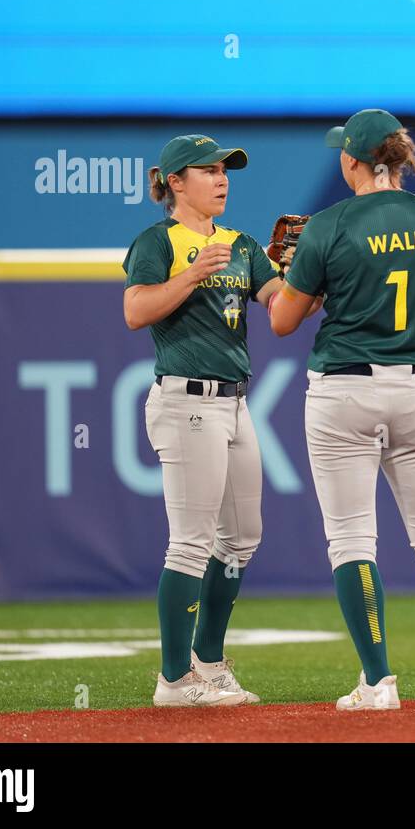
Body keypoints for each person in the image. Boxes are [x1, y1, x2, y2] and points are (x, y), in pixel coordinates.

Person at [270, 109, 415, 710]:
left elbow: (284, 321)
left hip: (346, 388)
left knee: (351, 541)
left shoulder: (329, 225)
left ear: (353, 162)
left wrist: (297, 277)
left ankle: (377, 681)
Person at [123, 134, 287, 707]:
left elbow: (283, 308)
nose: (221, 179)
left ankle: (210, 662)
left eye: (225, 170)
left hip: (236, 402)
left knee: (241, 538)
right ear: (175, 182)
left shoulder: (242, 245)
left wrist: (306, 271)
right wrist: (190, 275)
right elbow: (135, 310)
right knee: (191, 542)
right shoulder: (157, 240)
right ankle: (173, 679)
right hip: (185, 400)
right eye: (208, 171)